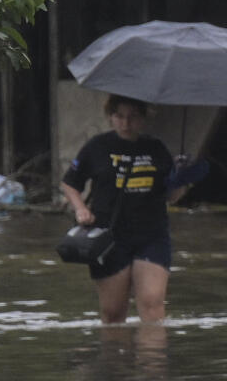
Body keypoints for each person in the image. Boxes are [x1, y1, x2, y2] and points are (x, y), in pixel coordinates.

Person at [60, 95, 175, 327]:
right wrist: (81, 209)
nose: (125, 123)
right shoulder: (97, 147)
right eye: (119, 116)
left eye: (132, 117)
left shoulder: (157, 149)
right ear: (110, 117)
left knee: (152, 305)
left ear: (143, 118)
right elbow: (70, 183)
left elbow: (171, 196)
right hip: (109, 237)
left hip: (151, 234)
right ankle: (114, 351)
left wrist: (183, 179)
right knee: (113, 312)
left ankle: (153, 351)